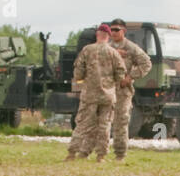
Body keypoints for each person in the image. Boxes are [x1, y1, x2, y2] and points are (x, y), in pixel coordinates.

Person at [65, 24, 126, 162]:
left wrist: (84, 78)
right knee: (105, 125)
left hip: (89, 95)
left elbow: (78, 73)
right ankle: (101, 156)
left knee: (82, 124)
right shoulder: (114, 53)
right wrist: (112, 82)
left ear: (97, 35)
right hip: (108, 95)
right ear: (108, 36)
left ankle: (72, 153)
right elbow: (121, 74)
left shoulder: (87, 50)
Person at [106, 19, 152, 161]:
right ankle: (101, 152)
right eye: (111, 30)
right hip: (106, 90)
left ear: (123, 31)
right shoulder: (106, 47)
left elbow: (146, 63)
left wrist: (130, 77)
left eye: (116, 30)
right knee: (103, 121)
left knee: (121, 122)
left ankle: (120, 154)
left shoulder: (131, 48)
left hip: (122, 91)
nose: (113, 33)